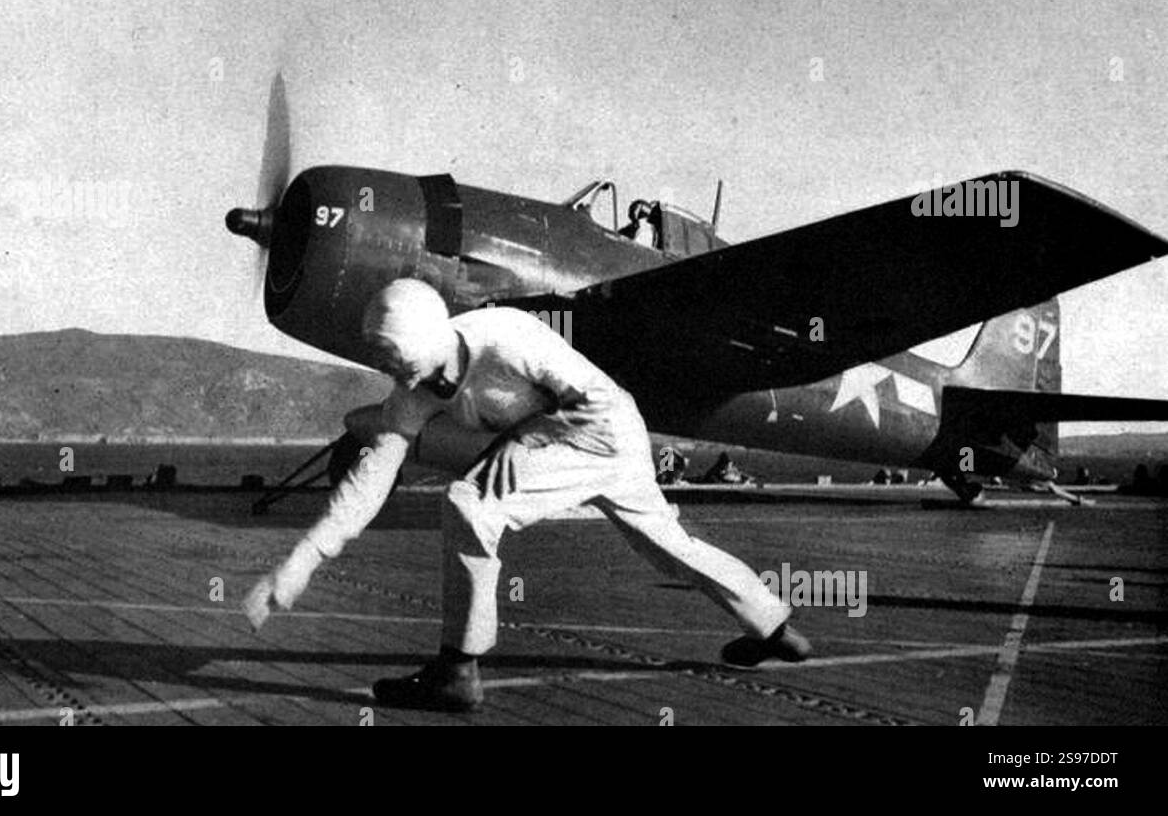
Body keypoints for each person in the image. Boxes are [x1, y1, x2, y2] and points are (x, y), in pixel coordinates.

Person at [244, 279, 810, 711]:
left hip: (602, 427)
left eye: (406, 363)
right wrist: (301, 562)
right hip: (574, 441)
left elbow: (588, 394)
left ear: (430, 344)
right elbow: (367, 483)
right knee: (664, 541)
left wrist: (528, 436)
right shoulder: (410, 393)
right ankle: (773, 625)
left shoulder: (509, 334)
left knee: (472, 504)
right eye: (395, 368)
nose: (409, 382)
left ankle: (457, 672)